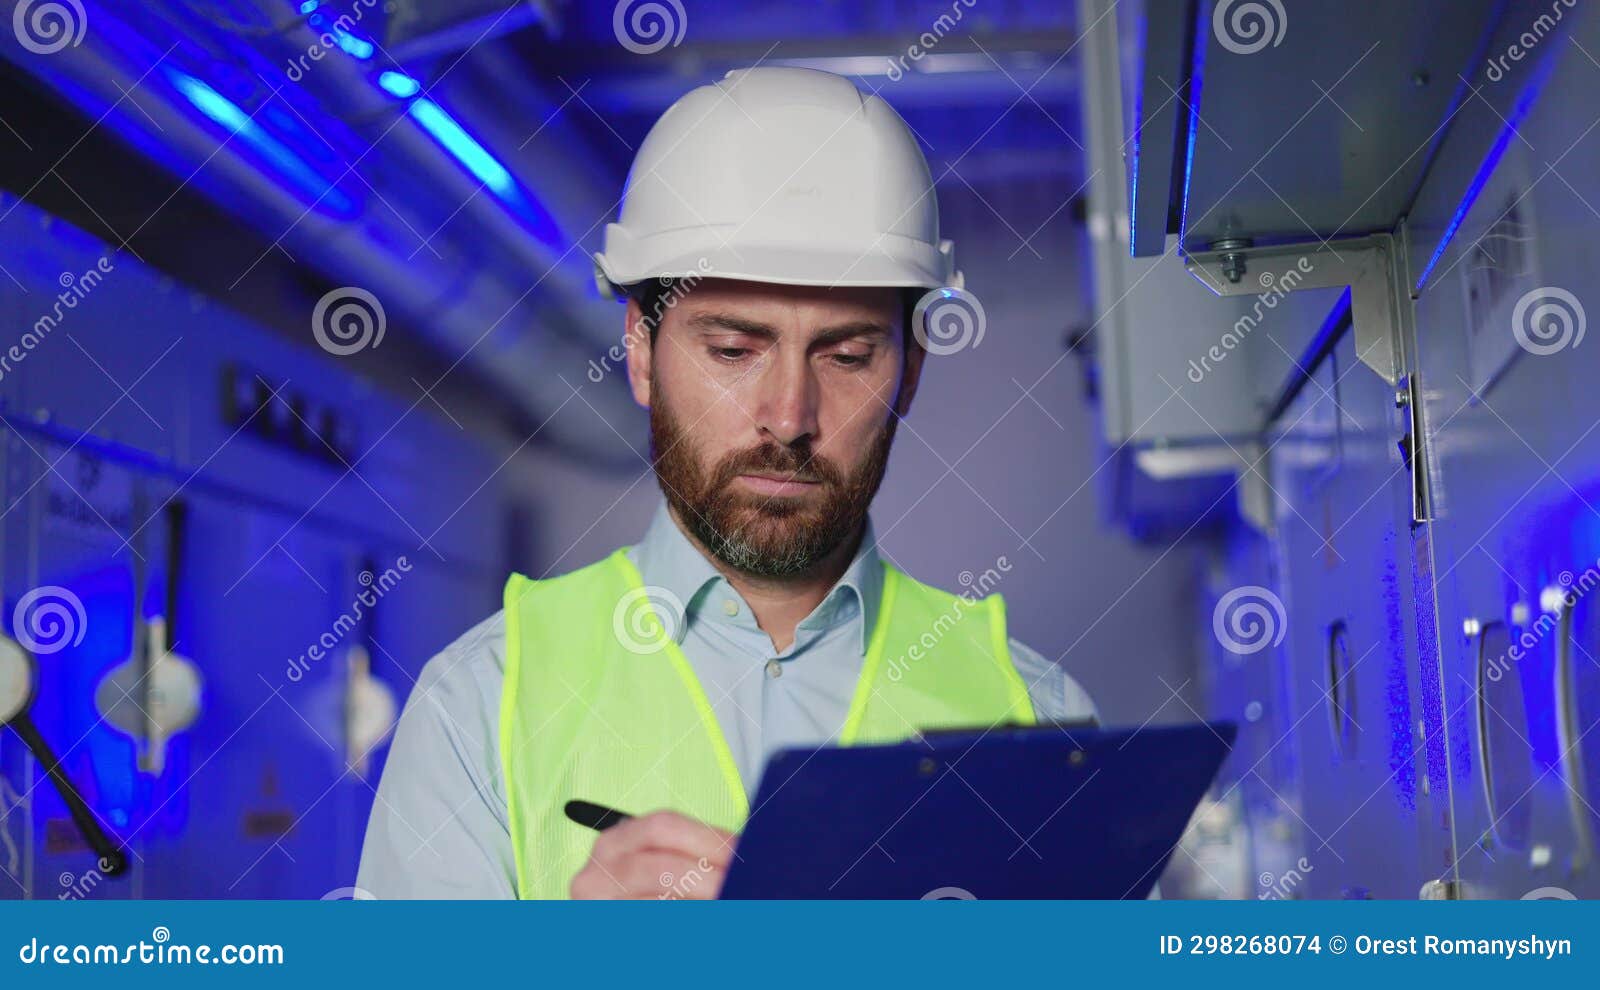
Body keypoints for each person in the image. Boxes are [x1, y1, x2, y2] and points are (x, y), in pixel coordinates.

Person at [357, 66, 1095, 900]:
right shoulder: (480, 705)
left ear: (911, 371)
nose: (788, 416)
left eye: (848, 356)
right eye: (733, 352)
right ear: (640, 353)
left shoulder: (1036, 713)